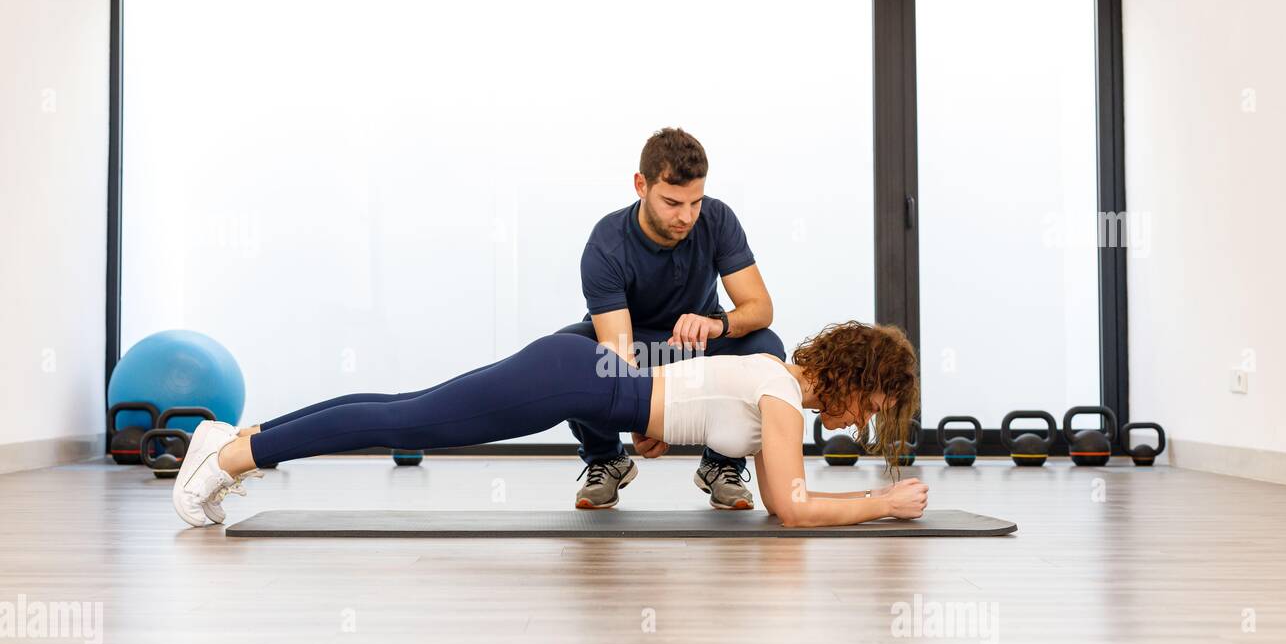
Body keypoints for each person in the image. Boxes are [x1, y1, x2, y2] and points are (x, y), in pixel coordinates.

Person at [170, 320, 927, 529]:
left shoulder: (772, 387)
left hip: (580, 377)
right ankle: (234, 459)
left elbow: (768, 489)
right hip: (570, 379)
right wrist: (882, 505)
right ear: (857, 382)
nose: (864, 425)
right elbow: (790, 509)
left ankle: (233, 443)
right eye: (876, 407)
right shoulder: (782, 392)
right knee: (407, 420)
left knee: (404, 409)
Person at [555, 127, 786, 511]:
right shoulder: (606, 243)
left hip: (696, 346)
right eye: (672, 202)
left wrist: (718, 324)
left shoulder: (717, 218)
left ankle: (721, 464)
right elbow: (618, 350)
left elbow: (760, 307)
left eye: (694, 202)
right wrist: (644, 421)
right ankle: (606, 458)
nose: (686, 216)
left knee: (766, 349)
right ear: (640, 185)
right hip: (636, 348)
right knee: (571, 352)